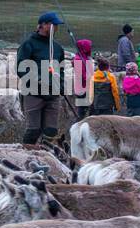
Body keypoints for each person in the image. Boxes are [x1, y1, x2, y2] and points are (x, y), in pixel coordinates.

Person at [16, 11, 66, 144]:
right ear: (43, 25)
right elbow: (21, 68)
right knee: (33, 130)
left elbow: (61, 69)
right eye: (53, 25)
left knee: (51, 131)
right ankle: (26, 156)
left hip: (53, 95)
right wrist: (38, 80)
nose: (56, 28)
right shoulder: (28, 44)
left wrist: (61, 85)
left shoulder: (57, 48)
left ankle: (46, 157)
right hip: (33, 93)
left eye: (56, 25)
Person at [72, 38, 94, 118]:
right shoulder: (78, 59)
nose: (90, 48)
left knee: (91, 109)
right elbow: (81, 76)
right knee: (82, 111)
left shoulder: (86, 57)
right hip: (82, 89)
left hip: (88, 87)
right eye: (89, 46)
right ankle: (80, 124)